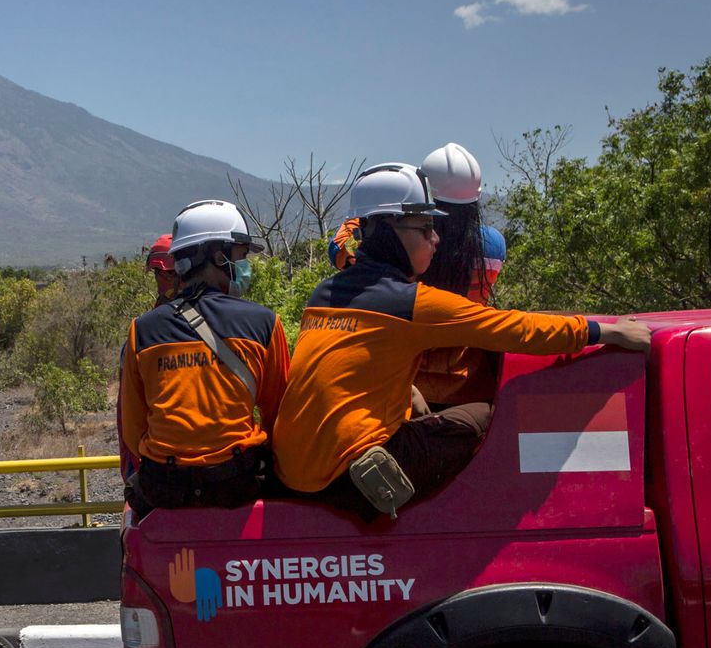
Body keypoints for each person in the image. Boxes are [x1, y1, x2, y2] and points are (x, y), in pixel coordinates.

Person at [272, 163, 651, 519]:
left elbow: (351, 369)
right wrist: (608, 331)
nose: (435, 239)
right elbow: (515, 328)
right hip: (347, 478)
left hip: (295, 472)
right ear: (389, 231)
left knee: (419, 409)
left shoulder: (325, 294)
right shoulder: (411, 303)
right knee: (488, 415)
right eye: (425, 228)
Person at [119, 200, 290, 516]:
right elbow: (280, 417)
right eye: (241, 256)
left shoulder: (141, 331)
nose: (245, 266)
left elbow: (133, 429)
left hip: (164, 487)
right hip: (237, 483)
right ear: (217, 255)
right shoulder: (264, 323)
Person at [330, 143, 507, 407]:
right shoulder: (493, 247)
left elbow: (338, 251)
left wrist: (371, 218)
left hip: (408, 386)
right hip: (469, 384)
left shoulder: (404, 253)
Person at [119, 233, 182, 490]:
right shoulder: (144, 332)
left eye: (165, 274)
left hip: (157, 465)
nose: (161, 282)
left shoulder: (143, 331)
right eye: (159, 275)